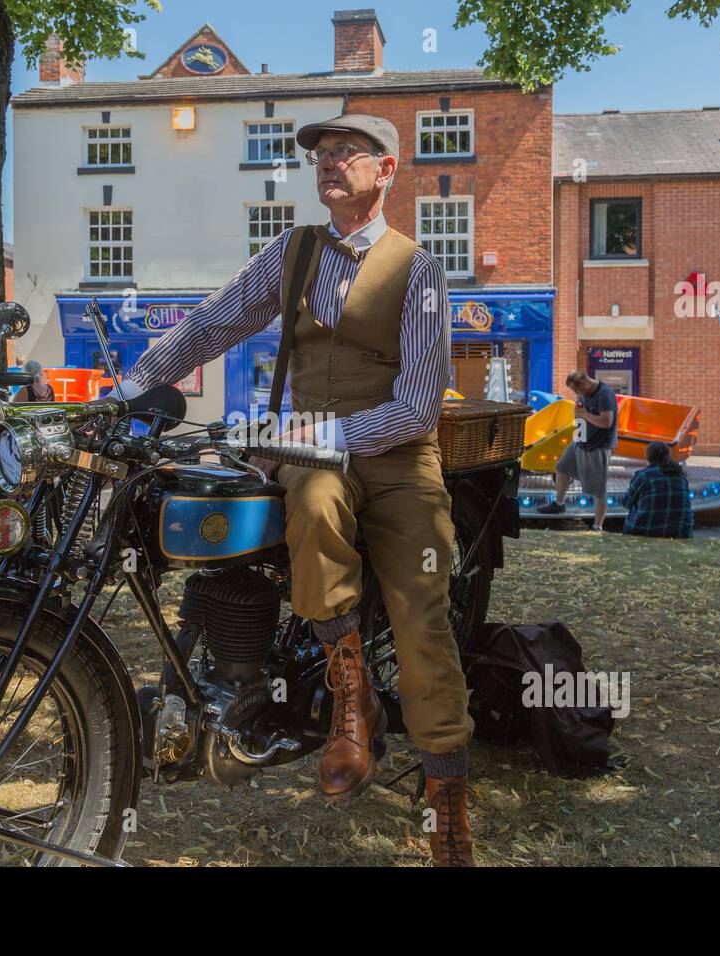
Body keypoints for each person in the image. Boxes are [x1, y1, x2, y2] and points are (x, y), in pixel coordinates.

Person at [113, 114, 475, 865]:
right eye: (321, 154)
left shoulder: (421, 270)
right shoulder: (295, 250)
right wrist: (135, 383)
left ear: (387, 170)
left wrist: (317, 438)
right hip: (311, 452)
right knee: (308, 502)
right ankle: (352, 699)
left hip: (400, 456)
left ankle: (449, 815)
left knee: (422, 620)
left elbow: (415, 407)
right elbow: (218, 318)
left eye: (348, 153)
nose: (329, 163)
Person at [537, 370, 618, 530]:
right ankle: (559, 503)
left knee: (598, 489)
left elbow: (606, 422)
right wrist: (578, 428)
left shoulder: (605, 395)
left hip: (598, 446)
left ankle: (597, 526)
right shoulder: (584, 394)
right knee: (562, 468)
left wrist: (584, 414)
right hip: (580, 441)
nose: (576, 393)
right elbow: (579, 414)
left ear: (583, 383)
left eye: (576, 390)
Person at [623, 442, 694, 538]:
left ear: (648, 457)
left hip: (647, 530)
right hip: (681, 531)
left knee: (635, 504)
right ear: (668, 455)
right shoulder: (681, 475)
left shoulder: (643, 475)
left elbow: (627, 503)